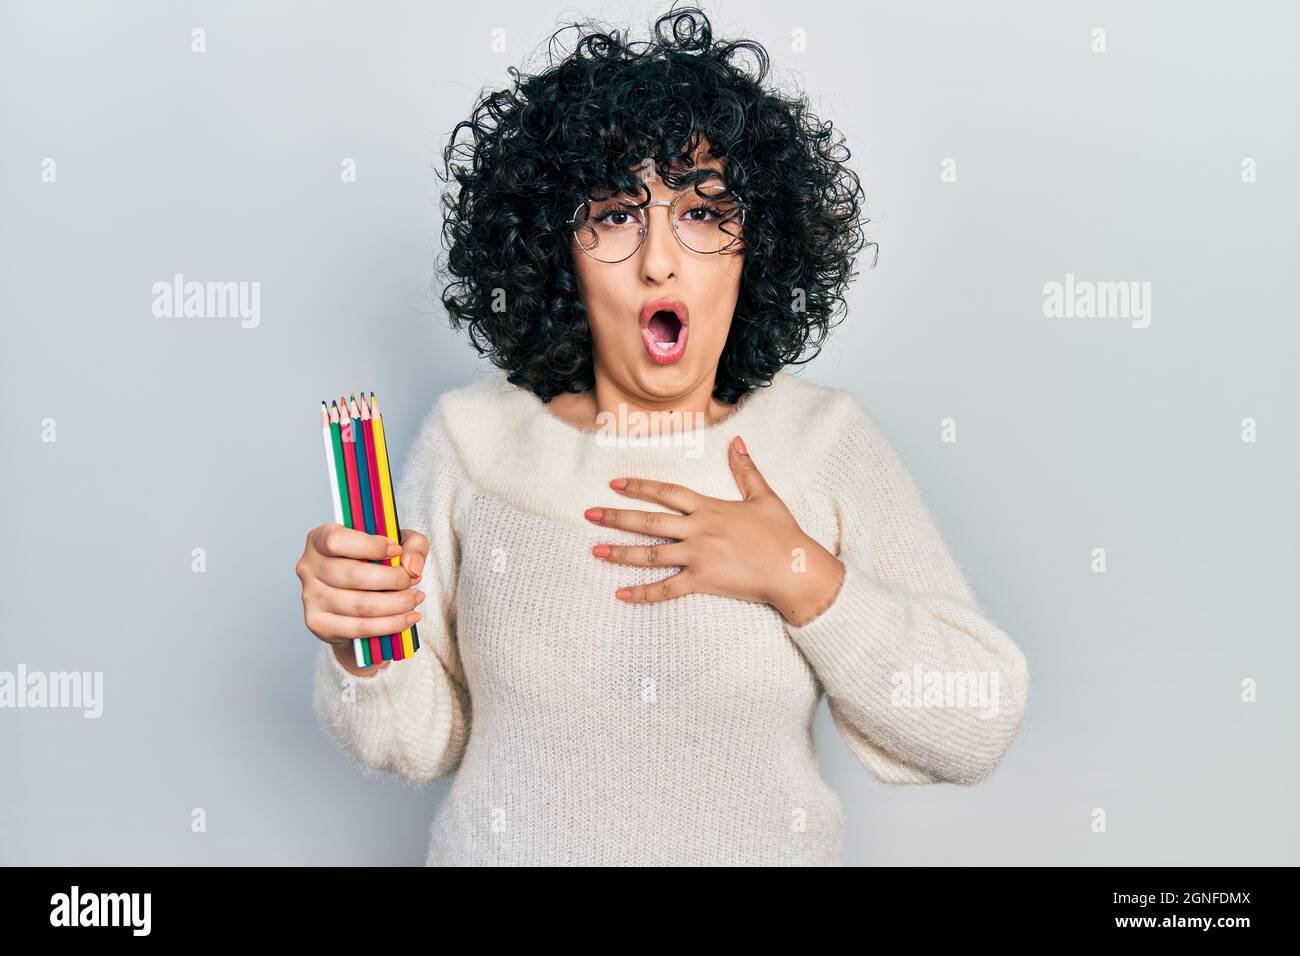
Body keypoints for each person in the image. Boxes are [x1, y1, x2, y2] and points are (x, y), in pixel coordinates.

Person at [295, 5, 1029, 866]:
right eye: (612, 215)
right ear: (554, 250)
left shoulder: (821, 441)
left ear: (755, 248)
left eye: (705, 214)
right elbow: (414, 743)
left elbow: (976, 723)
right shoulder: (471, 443)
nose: (658, 261)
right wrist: (363, 645)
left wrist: (801, 577)